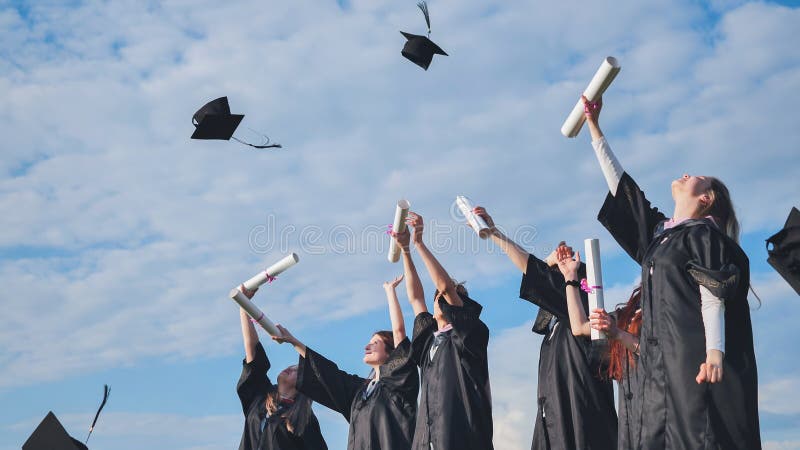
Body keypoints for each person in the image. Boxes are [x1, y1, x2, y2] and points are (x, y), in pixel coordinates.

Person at [583, 95, 761, 449]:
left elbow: (714, 296)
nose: (684, 174)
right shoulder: (663, 239)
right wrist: (595, 128)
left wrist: (714, 355)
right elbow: (628, 196)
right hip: (662, 385)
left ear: (706, 199)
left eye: (696, 177)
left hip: (697, 378)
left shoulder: (704, 236)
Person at [472, 208, 617, 450]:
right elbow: (537, 274)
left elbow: (532, 271)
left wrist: (496, 234)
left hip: (581, 420)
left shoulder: (580, 313)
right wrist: (549, 263)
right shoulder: (555, 328)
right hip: (553, 418)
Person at [272, 274, 419, 450]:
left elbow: (399, 332)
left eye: (375, 343)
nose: (367, 346)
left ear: (392, 353)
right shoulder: (360, 391)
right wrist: (294, 342)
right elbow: (330, 374)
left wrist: (390, 292)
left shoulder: (399, 383)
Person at [401, 211, 494, 450]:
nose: (440, 298)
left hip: (462, 436)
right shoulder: (428, 340)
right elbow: (415, 298)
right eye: (437, 298)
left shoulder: (470, 334)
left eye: (450, 297)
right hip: (427, 438)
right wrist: (404, 250)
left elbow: (445, 287)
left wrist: (419, 243)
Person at [554, 246, 642, 450]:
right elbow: (580, 327)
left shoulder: (674, 314)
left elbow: (657, 352)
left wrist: (619, 335)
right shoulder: (627, 316)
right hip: (634, 422)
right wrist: (570, 277)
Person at [236, 286, 327, 450]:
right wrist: (244, 305)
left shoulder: (304, 419)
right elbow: (252, 351)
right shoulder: (260, 397)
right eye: (290, 367)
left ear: (302, 384)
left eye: (295, 371)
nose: (289, 369)